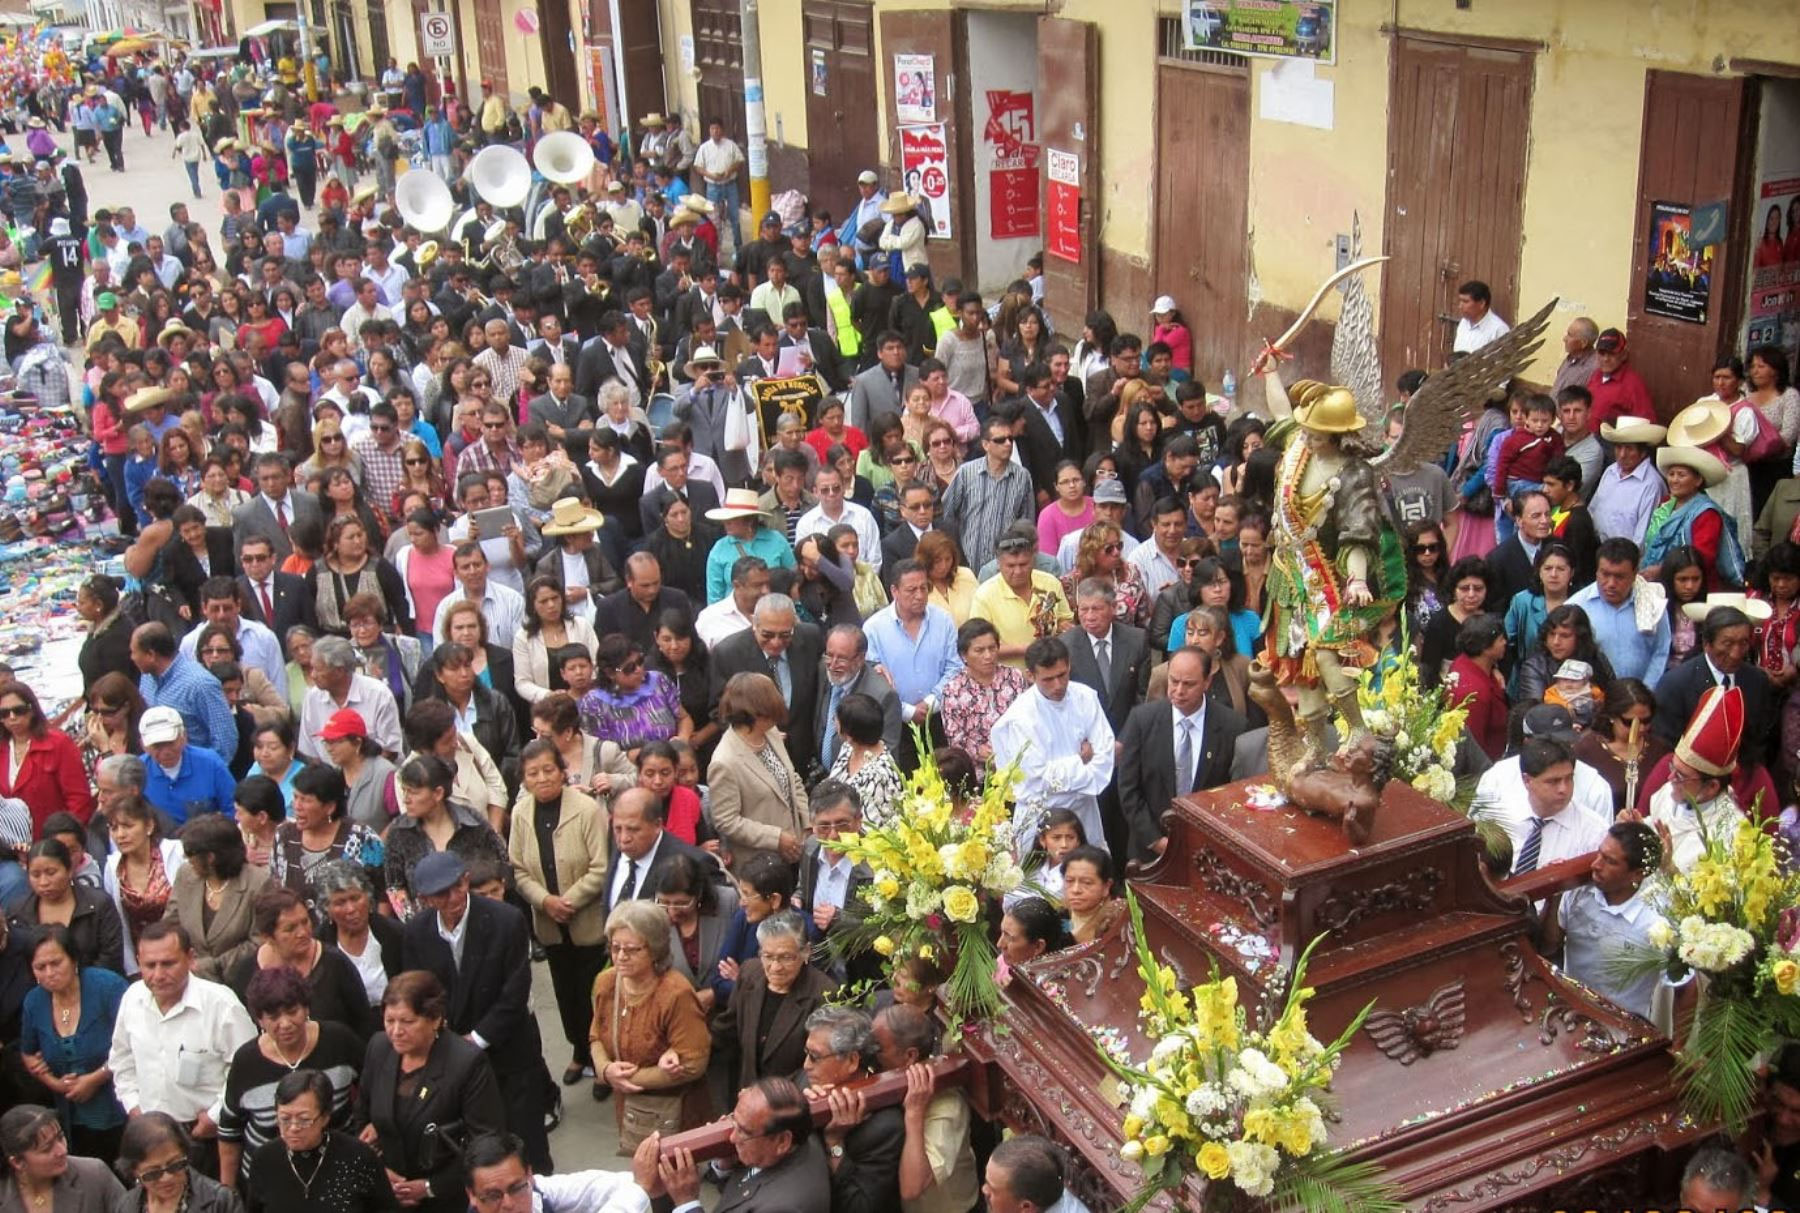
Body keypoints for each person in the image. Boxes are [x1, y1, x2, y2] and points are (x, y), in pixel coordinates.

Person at [400, 852, 550, 1171]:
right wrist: (448, 1043)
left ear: (466, 879)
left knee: (527, 1145)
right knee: (479, 1150)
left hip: (510, 1052)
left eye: (459, 886)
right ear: (425, 899)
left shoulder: (507, 920)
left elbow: (515, 992)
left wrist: (476, 1040)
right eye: (442, 893)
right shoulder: (416, 932)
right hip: (452, 1058)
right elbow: (418, 993)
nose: (454, 897)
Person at [107, 920, 258, 1170]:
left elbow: (248, 1069)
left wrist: (215, 1117)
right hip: (149, 1133)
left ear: (190, 958)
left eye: (168, 963)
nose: (158, 974)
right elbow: (122, 1060)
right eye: (149, 965)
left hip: (205, 1136)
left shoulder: (221, 1005)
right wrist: (134, 1108)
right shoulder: (132, 998)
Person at [508, 740, 612, 1088]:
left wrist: (569, 900)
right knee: (564, 993)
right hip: (550, 924)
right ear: (523, 780)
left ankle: (603, 1061)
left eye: (548, 770)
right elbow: (519, 869)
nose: (542, 779)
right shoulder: (521, 814)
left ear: (563, 771)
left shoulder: (586, 809)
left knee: (594, 993)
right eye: (533, 773)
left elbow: (601, 866)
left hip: (588, 921)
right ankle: (579, 1051)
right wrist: (545, 901)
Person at [358, 970, 506, 1213]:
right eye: (389, 1020)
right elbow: (362, 1113)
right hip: (389, 1195)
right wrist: (380, 1172)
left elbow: (486, 1140)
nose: (396, 1031)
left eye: (407, 1022)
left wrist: (429, 1187)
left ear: (435, 1019)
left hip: (449, 1200)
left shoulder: (466, 1063)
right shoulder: (378, 1047)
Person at [216, 967, 365, 1189]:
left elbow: (373, 1089)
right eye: (273, 1017)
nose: (285, 1024)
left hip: (339, 1175)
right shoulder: (247, 1062)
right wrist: (227, 1193)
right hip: (270, 1183)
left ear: (306, 1008)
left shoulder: (339, 1041)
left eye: (292, 1011)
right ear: (259, 1020)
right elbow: (230, 1131)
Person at [587, 899, 712, 1148]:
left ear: (655, 949)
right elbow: (596, 1036)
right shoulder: (606, 982)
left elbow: (693, 1064)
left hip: (674, 1111)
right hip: (631, 1107)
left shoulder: (676, 993)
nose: (621, 957)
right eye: (615, 947)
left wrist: (630, 1080)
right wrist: (605, 1070)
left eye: (632, 949)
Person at [16, 927, 129, 1161]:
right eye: (40, 967)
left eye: (56, 963)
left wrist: (95, 1078)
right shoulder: (34, 1001)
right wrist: (54, 1083)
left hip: (121, 1108)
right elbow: (29, 1053)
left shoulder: (108, 988)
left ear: (74, 959)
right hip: (70, 1117)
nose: (49, 973)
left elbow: (133, 1045)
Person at [992, 638, 1113, 854]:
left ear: (1069, 667)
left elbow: (1104, 758)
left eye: (1062, 675)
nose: (1058, 685)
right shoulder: (1021, 717)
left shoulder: (1085, 697)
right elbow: (1035, 777)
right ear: (1030, 675)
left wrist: (1064, 772)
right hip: (1041, 816)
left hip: (1084, 811)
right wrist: (1080, 761)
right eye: (1048, 679)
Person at [1538, 821, 1666, 1021]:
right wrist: (1553, 895)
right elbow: (1548, 946)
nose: (1595, 865)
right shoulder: (1579, 891)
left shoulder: (1658, 921)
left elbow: (1685, 987)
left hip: (1625, 1026)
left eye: (1610, 861)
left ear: (1638, 874)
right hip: (1570, 1012)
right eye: (1599, 854)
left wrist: (1678, 1046)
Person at [709, 910, 836, 1090]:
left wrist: (770, 1096)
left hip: (791, 1100)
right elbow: (727, 1029)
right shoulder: (749, 973)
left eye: (786, 957)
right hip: (746, 1094)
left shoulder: (824, 994)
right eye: (768, 956)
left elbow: (819, 1063)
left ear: (806, 952)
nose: (775, 967)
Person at [225, 889, 371, 1041]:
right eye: (290, 929)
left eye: (305, 922)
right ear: (267, 937)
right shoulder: (246, 974)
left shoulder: (335, 963)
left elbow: (364, 1023)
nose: (303, 932)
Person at [245, 1068, 392, 1213]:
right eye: (285, 1119)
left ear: (325, 1117)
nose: (294, 1127)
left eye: (304, 1119)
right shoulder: (264, 1159)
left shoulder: (358, 1157)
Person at [708, 672, 810, 870]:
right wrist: (776, 838)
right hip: (760, 866)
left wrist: (807, 823)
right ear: (753, 713)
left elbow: (792, 778)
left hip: (795, 852)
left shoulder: (770, 733)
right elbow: (726, 821)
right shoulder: (724, 762)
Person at [164, 814, 272, 983]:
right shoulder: (186, 874)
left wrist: (212, 966)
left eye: (191, 854)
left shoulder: (259, 883)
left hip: (240, 982)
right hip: (189, 981)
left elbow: (260, 940)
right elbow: (171, 924)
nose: (187, 859)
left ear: (210, 857)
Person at [8, 840, 124, 976]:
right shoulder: (17, 911)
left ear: (69, 871)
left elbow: (110, 957)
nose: (43, 882)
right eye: (35, 875)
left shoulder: (99, 905)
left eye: (51, 873)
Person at [1569, 539, 1672, 691]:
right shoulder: (1576, 607)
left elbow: (1661, 650)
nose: (1611, 583)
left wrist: (1646, 691)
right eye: (1605, 574)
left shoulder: (1653, 603)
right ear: (1596, 570)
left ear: (1635, 573)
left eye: (1619, 577)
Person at [940, 418, 1034, 580]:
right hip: (967, 565)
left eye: (1010, 439)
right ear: (985, 445)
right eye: (1000, 440)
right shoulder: (966, 473)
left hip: (1005, 567)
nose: (1008, 444)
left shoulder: (1022, 476)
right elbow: (946, 516)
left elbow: (1026, 523)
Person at [1644, 445, 1743, 591]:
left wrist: (1662, 569)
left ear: (1698, 481)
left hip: (1693, 587)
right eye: (1671, 474)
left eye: (1681, 475)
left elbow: (1703, 558)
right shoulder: (1665, 505)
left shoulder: (1707, 514)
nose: (1674, 480)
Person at [938, 619, 1028, 763]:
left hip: (1018, 761)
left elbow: (1028, 719)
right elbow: (955, 739)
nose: (988, 656)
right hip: (980, 772)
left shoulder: (1014, 677)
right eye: (979, 650)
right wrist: (978, 751)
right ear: (963, 655)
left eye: (992, 648)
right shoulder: (953, 691)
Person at [1446, 613, 1509, 761]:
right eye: (1500, 639)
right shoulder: (1473, 694)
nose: (1505, 642)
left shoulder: (1464, 662)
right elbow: (1473, 750)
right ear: (1485, 648)